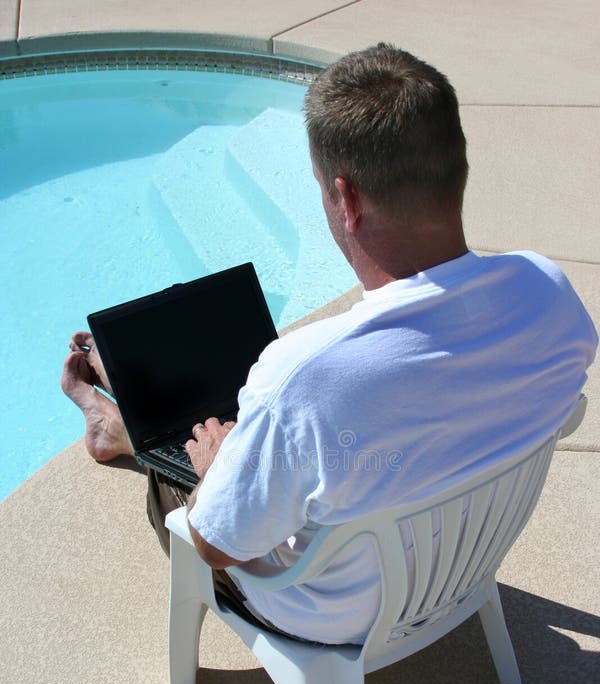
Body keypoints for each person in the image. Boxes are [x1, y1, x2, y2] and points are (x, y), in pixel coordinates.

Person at [62, 44, 598, 645]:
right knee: (278, 441)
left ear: (345, 199)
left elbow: (214, 545)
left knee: (192, 470)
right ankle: (136, 429)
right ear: (457, 166)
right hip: (463, 561)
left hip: (330, 611)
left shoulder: (303, 375)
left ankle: (126, 432)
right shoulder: (545, 289)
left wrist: (216, 474)